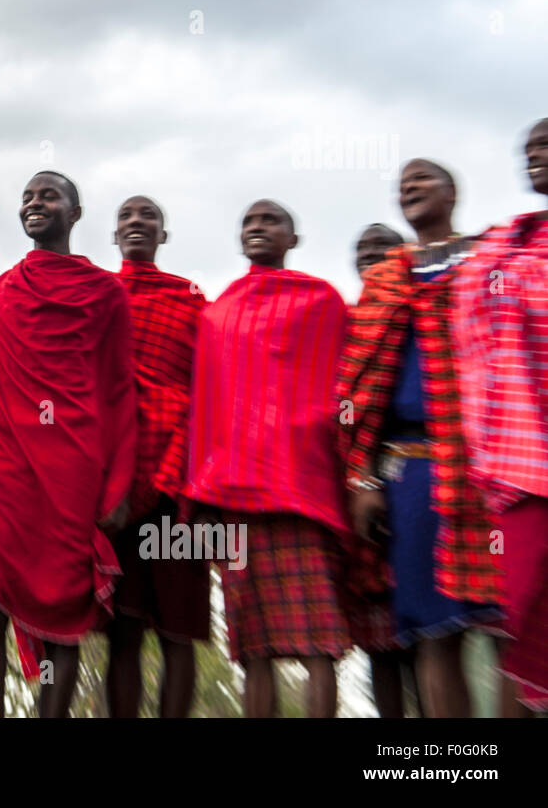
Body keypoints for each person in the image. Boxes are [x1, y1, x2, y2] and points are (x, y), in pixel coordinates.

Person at [0, 171, 138, 718]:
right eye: (27, 196)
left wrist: (119, 486)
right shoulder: (1, 294)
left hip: (71, 476)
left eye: (48, 195)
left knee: (62, 626)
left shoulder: (105, 293)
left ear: (75, 214)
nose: (34, 203)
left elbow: (120, 390)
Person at [340, 161, 502, 719]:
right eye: (401, 184)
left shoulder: (492, 261)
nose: (408, 187)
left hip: (492, 465)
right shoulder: (385, 279)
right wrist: (361, 477)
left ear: (453, 192)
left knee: (509, 623)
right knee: (433, 630)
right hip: (410, 471)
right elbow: (358, 393)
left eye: (422, 179)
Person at [185, 199, 350, 718]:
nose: (257, 228)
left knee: (320, 642)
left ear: (293, 239)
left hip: (304, 492)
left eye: (269, 220)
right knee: (251, 646)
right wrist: (202, 498)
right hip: (235, 497)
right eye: (249, 222)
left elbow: (344, 389)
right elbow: (206, 409)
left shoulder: (321, 301)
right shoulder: (218, 313)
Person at [452, 119, 548, 715]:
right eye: (530, 149)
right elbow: (477, 350)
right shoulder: (501, 251)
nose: (536, 155)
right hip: (522, 460)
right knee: (515, 609)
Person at [105, 196, 209, 719]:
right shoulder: (100, 295)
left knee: (178, 631)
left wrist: (178, 472)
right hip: (113, 483)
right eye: (127, 217)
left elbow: (210, 389)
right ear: (115, 235)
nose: (137, 223)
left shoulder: (190, 298)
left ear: (163, 236)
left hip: (178, 479)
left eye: (149, 217)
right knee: (122, 629)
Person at [343, 221, 418, 718]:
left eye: (382, 247)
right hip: (362, 478)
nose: (370, 255)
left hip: (417, 468)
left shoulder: (418, 309)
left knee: (427, 629)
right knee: (379, 639)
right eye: (362, 247)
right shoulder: (350, 323)